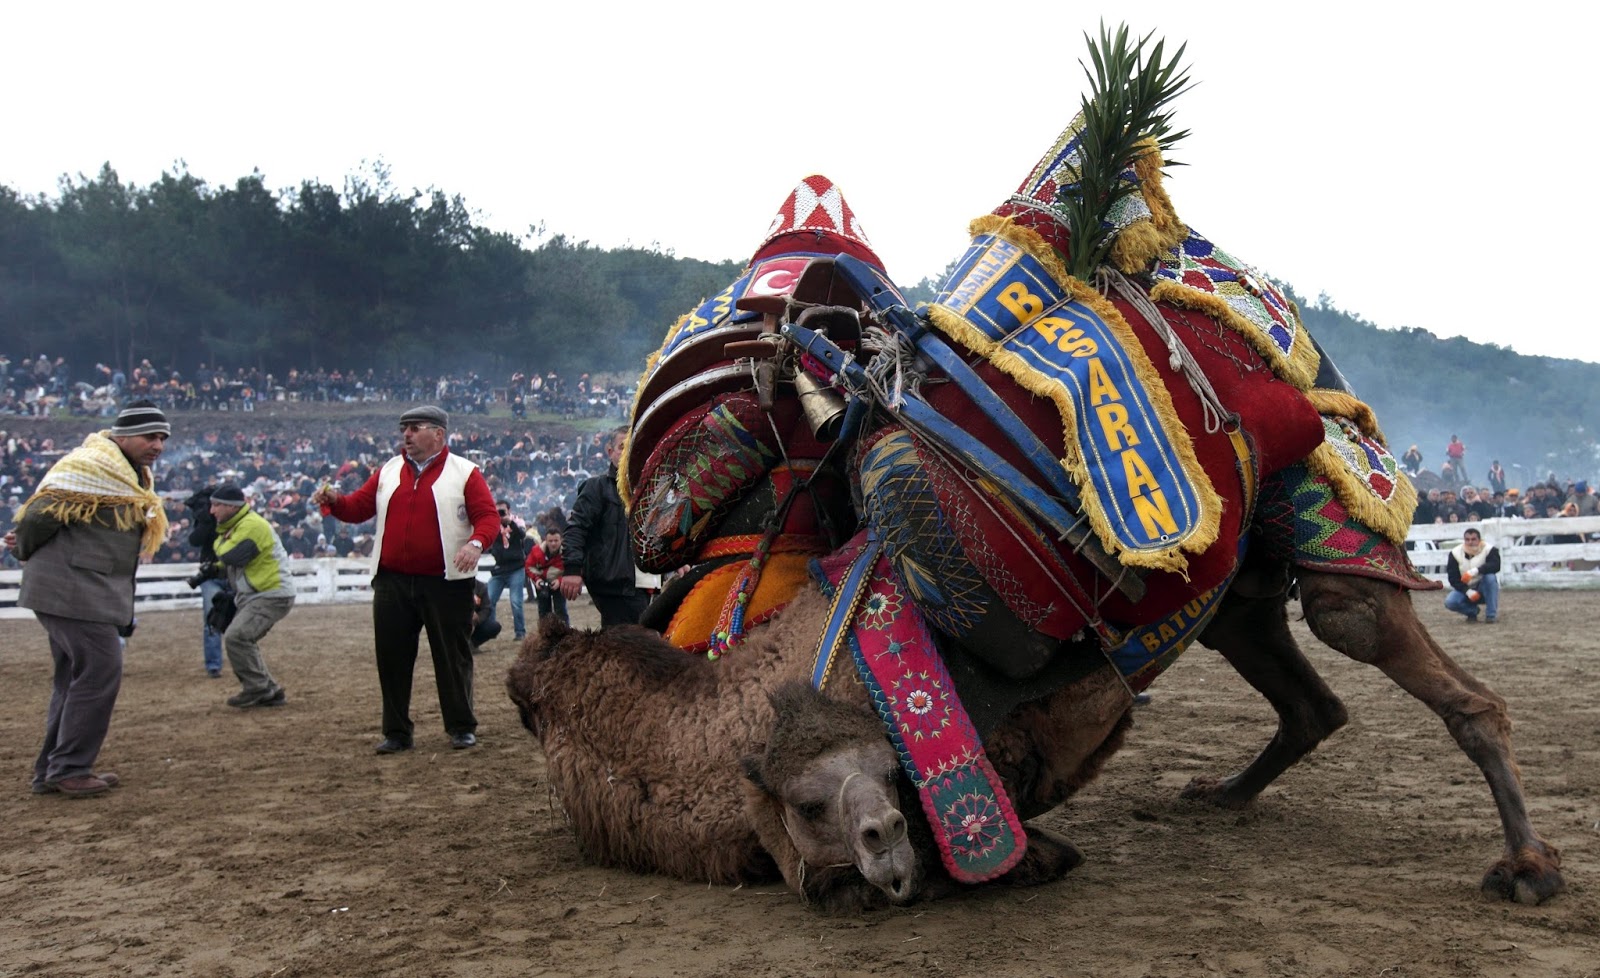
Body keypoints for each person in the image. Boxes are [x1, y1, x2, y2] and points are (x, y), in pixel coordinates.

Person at [6, 400, 170, 797]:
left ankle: (52, 770)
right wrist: (23, 550)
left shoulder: (126, 474)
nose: (158, 445)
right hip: (71, 588)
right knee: (100, 671)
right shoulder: (89, 467)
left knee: (74, 678)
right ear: (124, 435)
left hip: (78, 589)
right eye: (151, 436)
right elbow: (36, 516)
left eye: (163, 438)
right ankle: (70, 769)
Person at [313, 405, 499, 754]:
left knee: (453, 656)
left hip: (446, 580)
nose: (407, 435)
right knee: (392, 657)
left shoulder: (466, 472)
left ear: (438, 434)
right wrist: (336, 501)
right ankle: (396, 732)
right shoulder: (388, 470)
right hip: (392, 581)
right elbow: (357, 509)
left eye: (414, 428)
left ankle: (461, 726)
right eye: (404, 429)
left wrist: (476, 544)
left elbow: (487, 517)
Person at [208, 482, 294, 708]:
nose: (212, 511)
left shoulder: (251, 525)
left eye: (216, 505)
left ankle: (257, 688)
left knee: (237, 637)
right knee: (242, 638)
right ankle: (268, 690)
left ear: (232, 507)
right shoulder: (239, 526)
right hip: (261, 593)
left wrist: (219, 546)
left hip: (270, 592)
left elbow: (232, 555)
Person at [560, 426, 650, 628]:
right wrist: (572, 569)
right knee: (629, 643)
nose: (628, 453)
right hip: (614, 583)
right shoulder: (597, 488)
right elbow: (576, 529)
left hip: (646, 581)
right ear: (610, 452)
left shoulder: (650, 489)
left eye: (634, 447)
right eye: (622, 447)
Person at [183, 484, 226, 677]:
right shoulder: (207, 521)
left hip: (224, 571)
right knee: (212, 620)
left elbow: (194, 541)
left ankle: (215, 664)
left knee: (218, 620)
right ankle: (214, 665)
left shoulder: (238, 519)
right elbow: (195, 540)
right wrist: (207, 523)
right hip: (213, 574)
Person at [482, 499, 528, 642]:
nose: (500, 514)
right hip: (500, 568)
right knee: (489, 600)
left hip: (516, 568)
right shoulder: (494, 525)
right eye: (498, 512)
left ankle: (520, 632)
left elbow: (522, 535)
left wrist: (510, 523)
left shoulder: (517, 522)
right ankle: (490, 630)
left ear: (509, 510)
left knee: (515, 601)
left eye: (502, 511)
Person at [1445, 527, 1500, 624]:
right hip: (1465, 587)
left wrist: (1477, 570)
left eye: (1473, 539)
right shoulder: (1455, 553)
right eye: (1467, 539)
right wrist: (1467, 591)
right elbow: (1453, 578)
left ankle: (1491, 615)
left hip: (1484, 587)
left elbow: (1496, 565)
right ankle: (1472, 611)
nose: (1470, 542)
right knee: (1450, 602)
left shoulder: (1489, 549)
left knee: (1490, 578)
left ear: (1479, 540)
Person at [526, 528, 569, 624]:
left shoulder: (567, 552)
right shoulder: (536, 551)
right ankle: (545, 636)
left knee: (561, 611)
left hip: (559, 583)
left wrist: (560, 580)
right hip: (542, 584)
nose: (553, 544)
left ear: (561, 540)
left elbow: (571, 569)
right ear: (545, 540)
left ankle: (565, 635)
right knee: (544, 612)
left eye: (556, 541)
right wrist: (536, 580)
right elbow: (529, 566)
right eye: (550, 541)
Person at [470, 578, 501, 648]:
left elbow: (486, 608)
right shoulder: (455, 586)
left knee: (494, 626)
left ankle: (472, 644)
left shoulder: (481, 587)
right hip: (459, 621)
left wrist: (477, 618)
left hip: (475, 622)